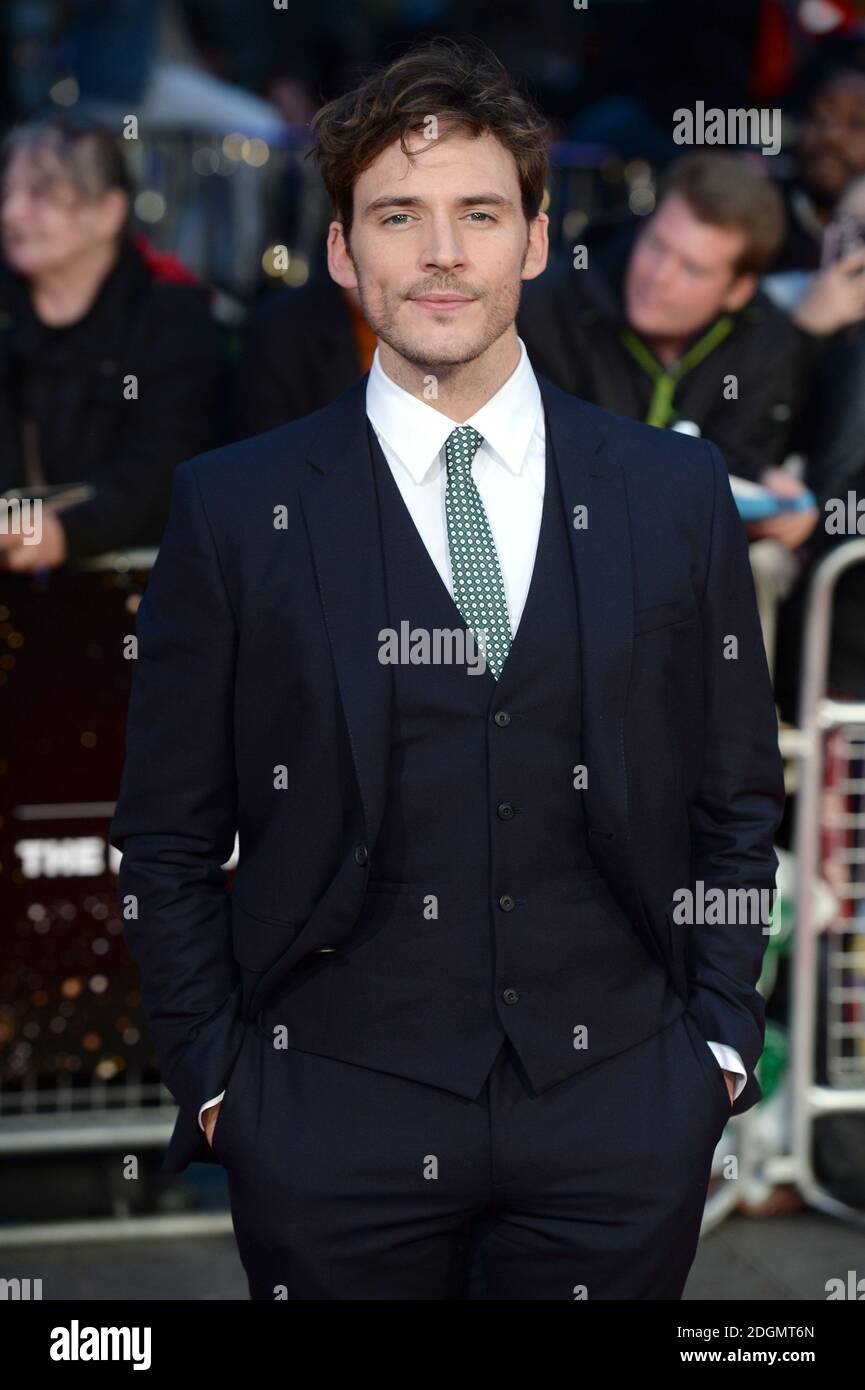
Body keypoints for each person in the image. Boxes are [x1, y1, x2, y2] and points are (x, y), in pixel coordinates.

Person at [110, 37, 785, 1301]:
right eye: (396, 216)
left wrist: (716, 1050)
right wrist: (217, 1083)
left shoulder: (669, 489)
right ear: (341, 253)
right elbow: (165, 831)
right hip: (326, 1121)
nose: (438, 253)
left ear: (534, 240)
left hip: (619, 1113)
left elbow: (735, 793)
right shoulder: (233, 505)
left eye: (478, 213)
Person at [518, 152, 820, 552]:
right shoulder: (547, 304)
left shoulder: (765, 339)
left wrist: (765, 486)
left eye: (692, 269)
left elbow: (735, 454)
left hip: (680, 560)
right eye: (657, 245)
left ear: (738, 291)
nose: (659, 277)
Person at [0, 110, 228, 571]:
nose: (11, 213)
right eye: (7, 193)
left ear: (107, 212)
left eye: (40, 194)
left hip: (138, 586)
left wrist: (67, 529)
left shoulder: (170, 317)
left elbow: (169, 468)